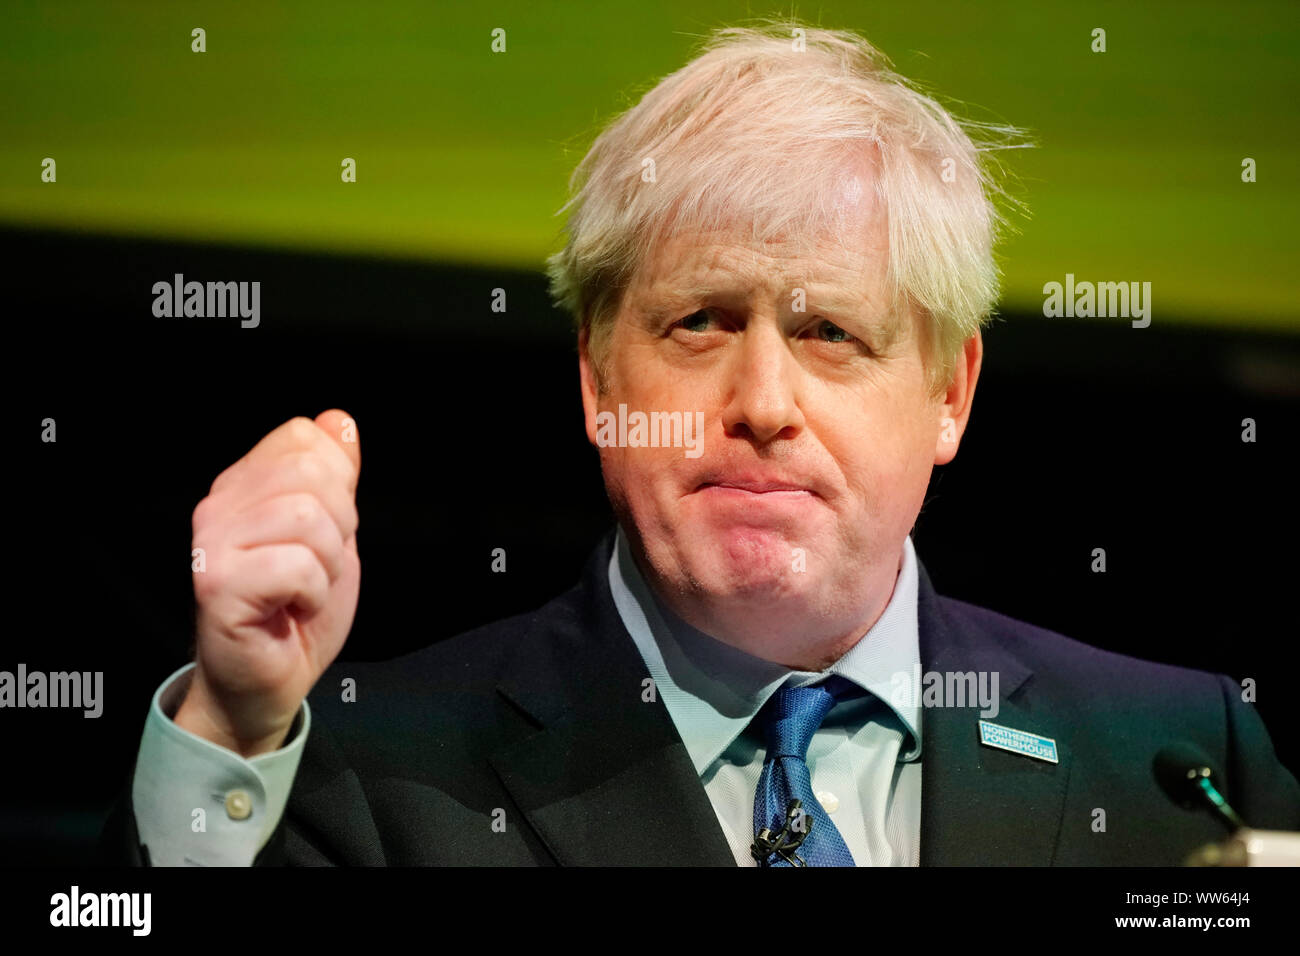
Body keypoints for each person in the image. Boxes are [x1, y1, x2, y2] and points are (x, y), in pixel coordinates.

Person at [100, 23, 1299, 867]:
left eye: (830, 330)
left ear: (949, 392)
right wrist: (226, 731)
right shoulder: (366, 775)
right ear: (594, 374)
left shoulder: (1180, 758)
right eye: (700, 321)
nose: (762, 399)